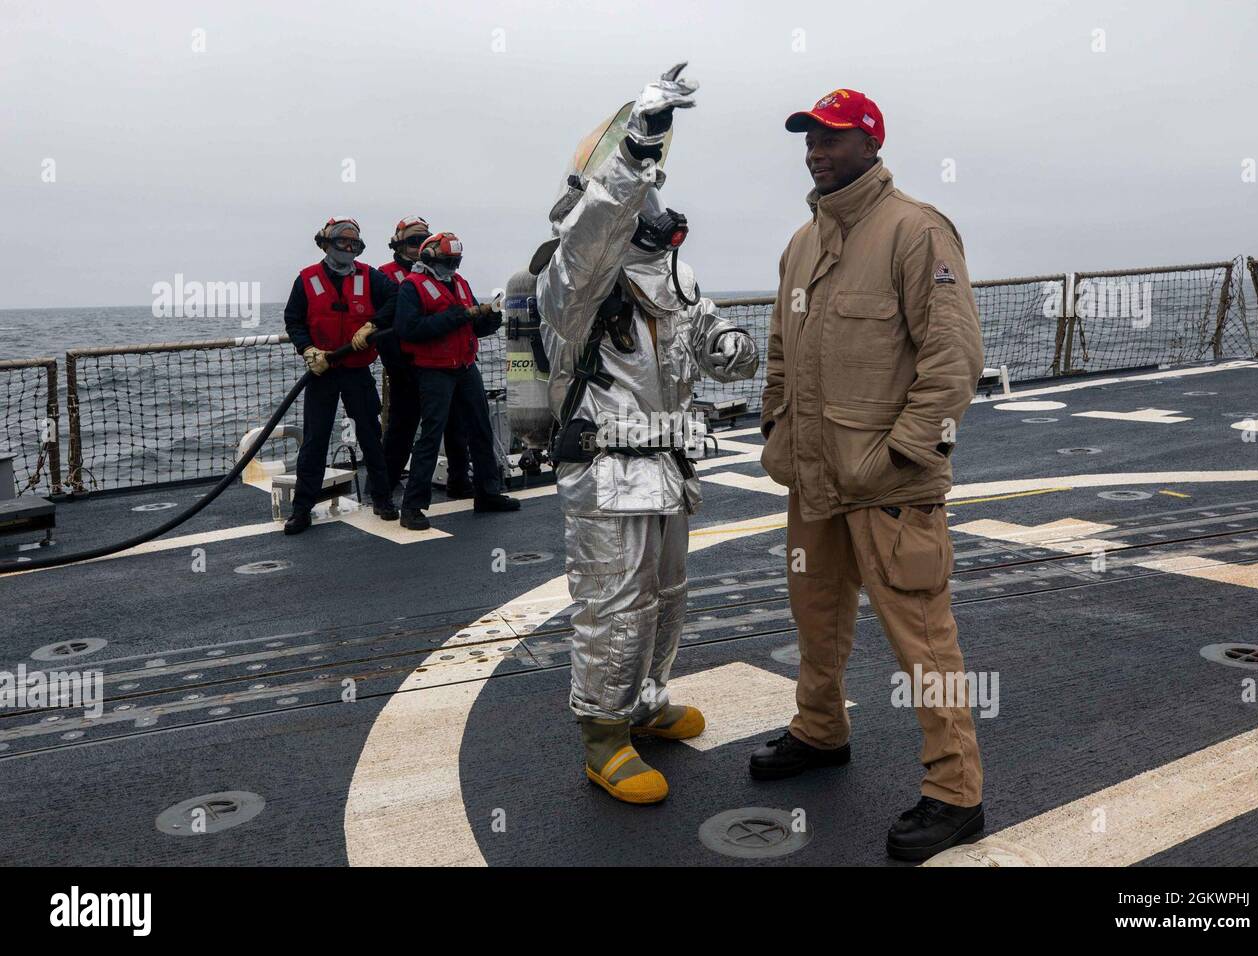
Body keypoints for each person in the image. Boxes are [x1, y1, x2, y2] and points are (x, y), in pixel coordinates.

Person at [752, 88, 986, 861]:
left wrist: (904, 454)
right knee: (815, 617)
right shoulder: (800, 243)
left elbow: (955, 361)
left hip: (888, 485)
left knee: (925, 642)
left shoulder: (916, 230)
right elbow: (783, 351)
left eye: (832, 137)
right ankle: (820, 730)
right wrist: (776, 424)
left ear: (870, 144)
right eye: (810, 138)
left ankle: (956, 792)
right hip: (814, 478)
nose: (817, 149)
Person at [534, 63, 759, 805]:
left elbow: (704, 336)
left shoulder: (673, 278)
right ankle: (603, 734)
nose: (652, 213)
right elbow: (598, 231)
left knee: (666, 596)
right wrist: (642, 139)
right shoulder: (572, 281)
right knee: (612, 603)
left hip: (666, 464)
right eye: (639, 194)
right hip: (605, 469)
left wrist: (730, 345)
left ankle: (647, 697)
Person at [282, 217, 399, 535]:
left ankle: (383, 499)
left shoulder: (371, 278)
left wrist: (372, 325)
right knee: (315, 441)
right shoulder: (306, 279)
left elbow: (395, 300)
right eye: (342, 242)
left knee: (370, 438)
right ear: (325, 244)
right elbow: (293, 320)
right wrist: (307, 350)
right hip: (323, 371)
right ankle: (302, 510)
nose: (348, 248)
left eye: (354, 243)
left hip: (357, 371)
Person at [394, 231, 519, 528]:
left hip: (464, 365)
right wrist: (456, 317)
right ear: (429, 258)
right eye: (448, 261)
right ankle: (412, 506)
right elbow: (408, 330)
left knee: (480, 429)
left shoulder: (460, 284)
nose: (452, 267)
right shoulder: (413, 287)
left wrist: (490, 319)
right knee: (431, 434)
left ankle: (488, 492)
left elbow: (472, 326)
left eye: (455, 261)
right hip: (434, 369)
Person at [378, 216, 474, 499]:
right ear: (398, 244)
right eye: (411, 241)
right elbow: (382, 322)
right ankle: (385, 486)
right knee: (402, 428)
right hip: (404, 367)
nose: (417, 246)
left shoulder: (447, 278)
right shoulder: (384, 276)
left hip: (441, 365)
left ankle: (460, 480)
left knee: (456, 425)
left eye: (422, 240)